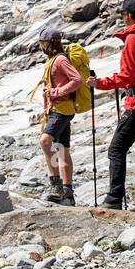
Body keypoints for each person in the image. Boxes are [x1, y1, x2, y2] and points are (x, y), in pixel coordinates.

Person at [88, 0, 135, 214]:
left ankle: (113, 199)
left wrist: (99, 82)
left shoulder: (133, 39)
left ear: (127, 15)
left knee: (116, 149)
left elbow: (127, 77)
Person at [35, 27, 83, 206]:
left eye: (42, 43)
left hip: (61, 110)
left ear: (48, 43)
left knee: (45, 142)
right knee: (62, 150)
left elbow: (77, 80)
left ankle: (56, 187)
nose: (41, 46)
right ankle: (68, 190)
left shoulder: (60, 60)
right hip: (60, 108)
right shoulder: (54, 60)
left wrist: (55, 92)